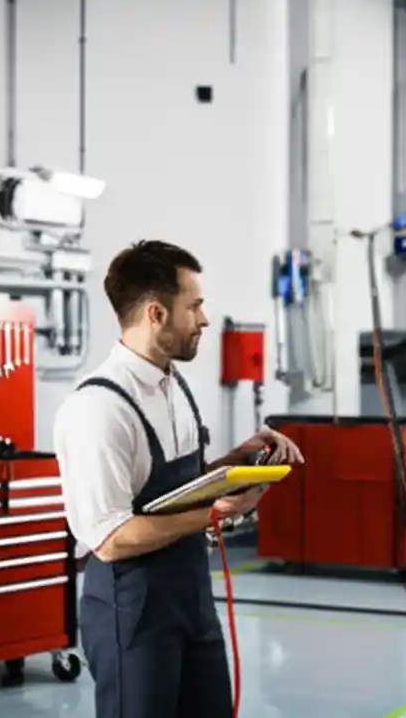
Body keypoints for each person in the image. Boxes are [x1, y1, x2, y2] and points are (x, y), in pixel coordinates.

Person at [53, 239, 303, 717]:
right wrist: (216, 513)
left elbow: (175, 489)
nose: (204, 320)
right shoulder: (97, 409)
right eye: (194, 306)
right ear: (156, 313)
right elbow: (110, 539)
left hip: (192, 598)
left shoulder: (173, 385)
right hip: (133, 610)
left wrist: (234, 462)